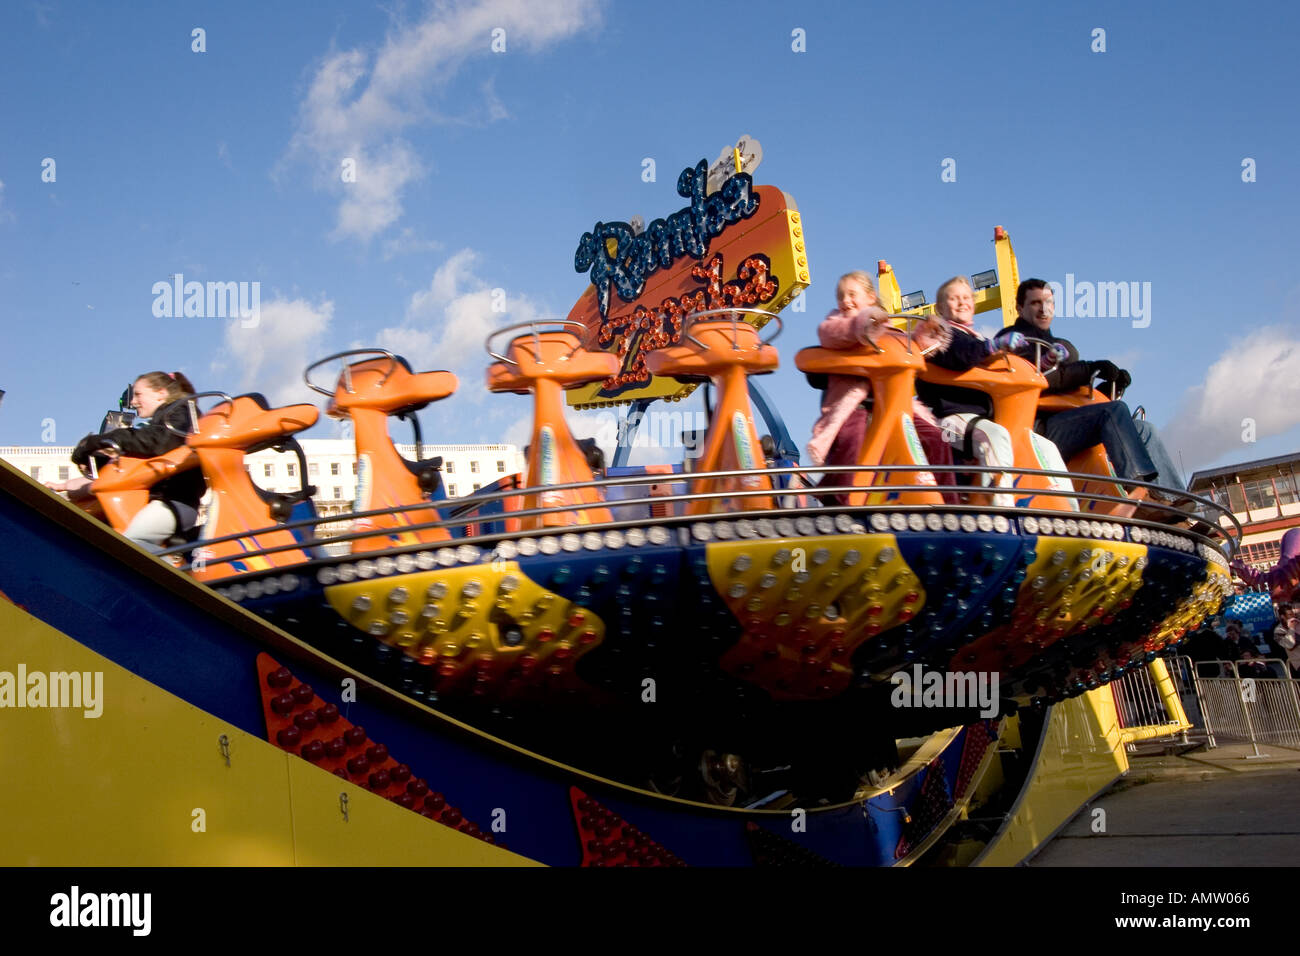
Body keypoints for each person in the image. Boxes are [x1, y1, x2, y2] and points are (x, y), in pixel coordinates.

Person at [994, 279, 1180, 497]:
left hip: (1069, 422)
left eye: (1049, 303)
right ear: (1019, 308)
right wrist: (1090, 369)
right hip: (1036, 427)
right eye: (1036, 303)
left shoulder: (1058, 345)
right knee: (1113, 412)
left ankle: (1175, 508)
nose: (1044, 309)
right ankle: (1141, 494)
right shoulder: (1014, 342)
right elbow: (1041, 377)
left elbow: (1069, 386)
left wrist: (1106, 386)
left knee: (1144, 429)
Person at [913, 276, 1074, 509]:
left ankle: (1070, 509)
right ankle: (999, 509)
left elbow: (1008, 370)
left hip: (984, 417)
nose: (962, 303)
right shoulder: (938, 336)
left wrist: (1047, 361)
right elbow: (961, 357)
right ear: (940, 308)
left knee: (1046, 447)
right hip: (950, 417)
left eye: (966, 297)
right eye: (954, 298)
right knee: (995, 437)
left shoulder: (976, 339)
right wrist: (994, 346)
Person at [804, 271, 957, 502]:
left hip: (896, 402)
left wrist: (926, 336)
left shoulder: (890, 332)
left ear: (871, 297)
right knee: (852, 438)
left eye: (852, 294)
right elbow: (833, 335)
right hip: (855, 403)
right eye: (841, 296)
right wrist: (862, 325)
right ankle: (841, 500)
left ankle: (949, 501)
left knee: (936, 438)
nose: (845, 301)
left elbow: (907, 345)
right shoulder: (836, 324)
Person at [46, 371, 205, 552]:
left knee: (131, 546)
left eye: (138, 394)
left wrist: (98, 441)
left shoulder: (180, 413)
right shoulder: (163, 421)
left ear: (161, 393)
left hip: (174, 500)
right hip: (157, 499)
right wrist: (96, 456)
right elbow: (135, 456)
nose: (133, 402)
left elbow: (157, 442)